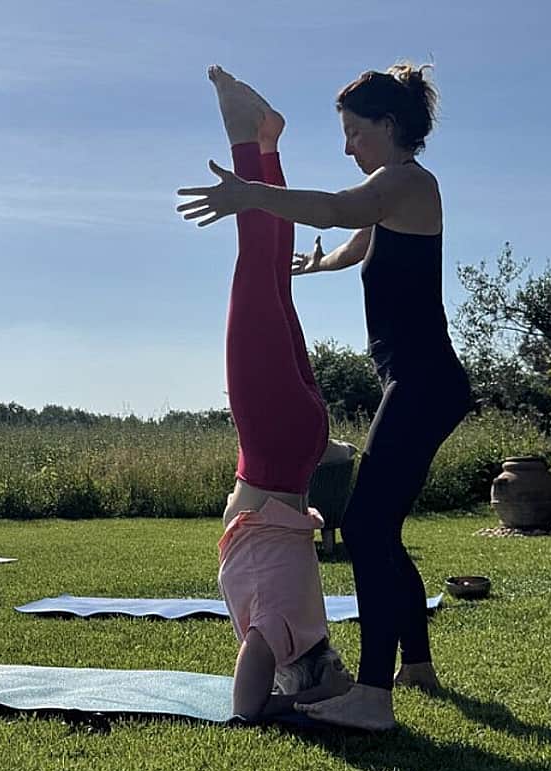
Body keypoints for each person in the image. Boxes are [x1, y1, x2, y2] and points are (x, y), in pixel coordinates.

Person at [178, 63, 471, 731]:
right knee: (380, 527)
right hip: (420, 381)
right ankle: (416, 663)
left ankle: (372, 696)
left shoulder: (406, 182)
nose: (348, 146)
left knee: (367, 525)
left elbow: (341, 209)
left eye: (354, 133)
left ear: (388, 127)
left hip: (423, 380)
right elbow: (356, 236)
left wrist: (252, 192)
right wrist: (320, 264)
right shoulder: (394, 192)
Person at [190, 66, 356, 722]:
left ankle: (267, 141)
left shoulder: (303, 621)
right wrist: (256, 711)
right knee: (257, 272)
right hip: (275, 445)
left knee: (273, 283)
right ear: (296, 672)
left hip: (296, 445)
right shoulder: (285, 631)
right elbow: (252, 675)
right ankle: (244, 136)